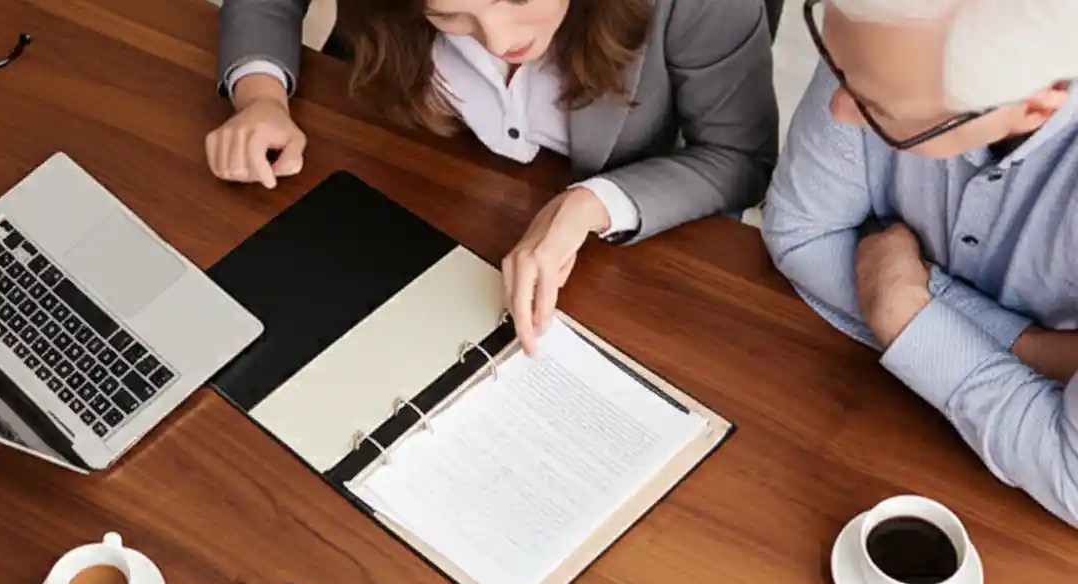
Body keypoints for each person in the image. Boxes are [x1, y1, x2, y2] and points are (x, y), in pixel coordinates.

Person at [209, 0, 780, 353]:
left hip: (625, 273)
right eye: (451, 14)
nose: (500, 38)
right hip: (397, 183)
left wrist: (587, 205)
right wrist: (261, 97)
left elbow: (739, 157)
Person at [763, 0, 1078, 525]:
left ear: (1035, 107)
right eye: (834, 61)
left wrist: (905, 312)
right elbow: (799, 232)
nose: (838, 111)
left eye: (884, 113)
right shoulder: (883, 36)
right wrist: (1035, 350)